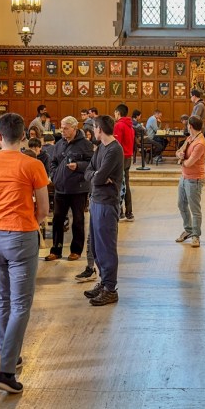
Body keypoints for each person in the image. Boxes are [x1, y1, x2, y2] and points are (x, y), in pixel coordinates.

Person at [0, 112, 50, 394]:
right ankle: (6, 371)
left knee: (3, 299)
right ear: (23, 136)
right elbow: (43, 208)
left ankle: (8, 353)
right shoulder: (32, 165)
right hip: (21, 235)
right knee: (20, 304)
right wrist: (29, 222)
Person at [83, 115, 124, 306]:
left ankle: (110, 289)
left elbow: (97, 179)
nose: (93, 131)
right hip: (96, 201)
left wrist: (97, 177)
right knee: (96, 248)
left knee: (106, 247)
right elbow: (89, 173)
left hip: (107, 203)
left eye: (94, 127)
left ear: (99, 129)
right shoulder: (100, 147)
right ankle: (104, 281)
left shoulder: (114, 149)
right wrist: (97, 176)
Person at [46, 116, 94, 267]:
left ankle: (76, 250)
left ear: (74, 128)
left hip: (78, 188)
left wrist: (78, 166)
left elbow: (92, 164)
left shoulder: (85, 144)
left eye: (66, 128)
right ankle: (56, 249)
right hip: (61, 188)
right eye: (62, 127)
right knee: (58, 219)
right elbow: (53, 162)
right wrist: (54, 175)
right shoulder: (59, 144)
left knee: (78, 219)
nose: (63, 131)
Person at [176, 114, 205, 248]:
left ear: (190, 126)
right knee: (181, 205)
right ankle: (188, 230)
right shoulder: (191, 138)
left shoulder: (200, 143)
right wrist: (179, 154)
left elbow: (189, 163)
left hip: (194, 179)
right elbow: (179, 151)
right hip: (184, 177)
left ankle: (196, 235)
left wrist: (181, 160)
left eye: (188, 125)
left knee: (195, 209)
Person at [113, 104, 136, 221]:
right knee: (126, 184)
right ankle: (129, 212)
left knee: (118, 185)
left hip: (120, 158)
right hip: (128, 157)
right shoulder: (130, 126)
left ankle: (119, 212)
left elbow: (116, 144)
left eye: (115, 113)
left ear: (118, 113)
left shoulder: (119, 125)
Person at [190, 88, 205, 168]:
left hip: (198, 128)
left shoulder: (200, 105)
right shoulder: (198, 105)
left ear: (194, 96)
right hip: (196, 128)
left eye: (191, 96)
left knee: (198, 144)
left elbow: (195, 118)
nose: (191, 98)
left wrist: (189, 123)